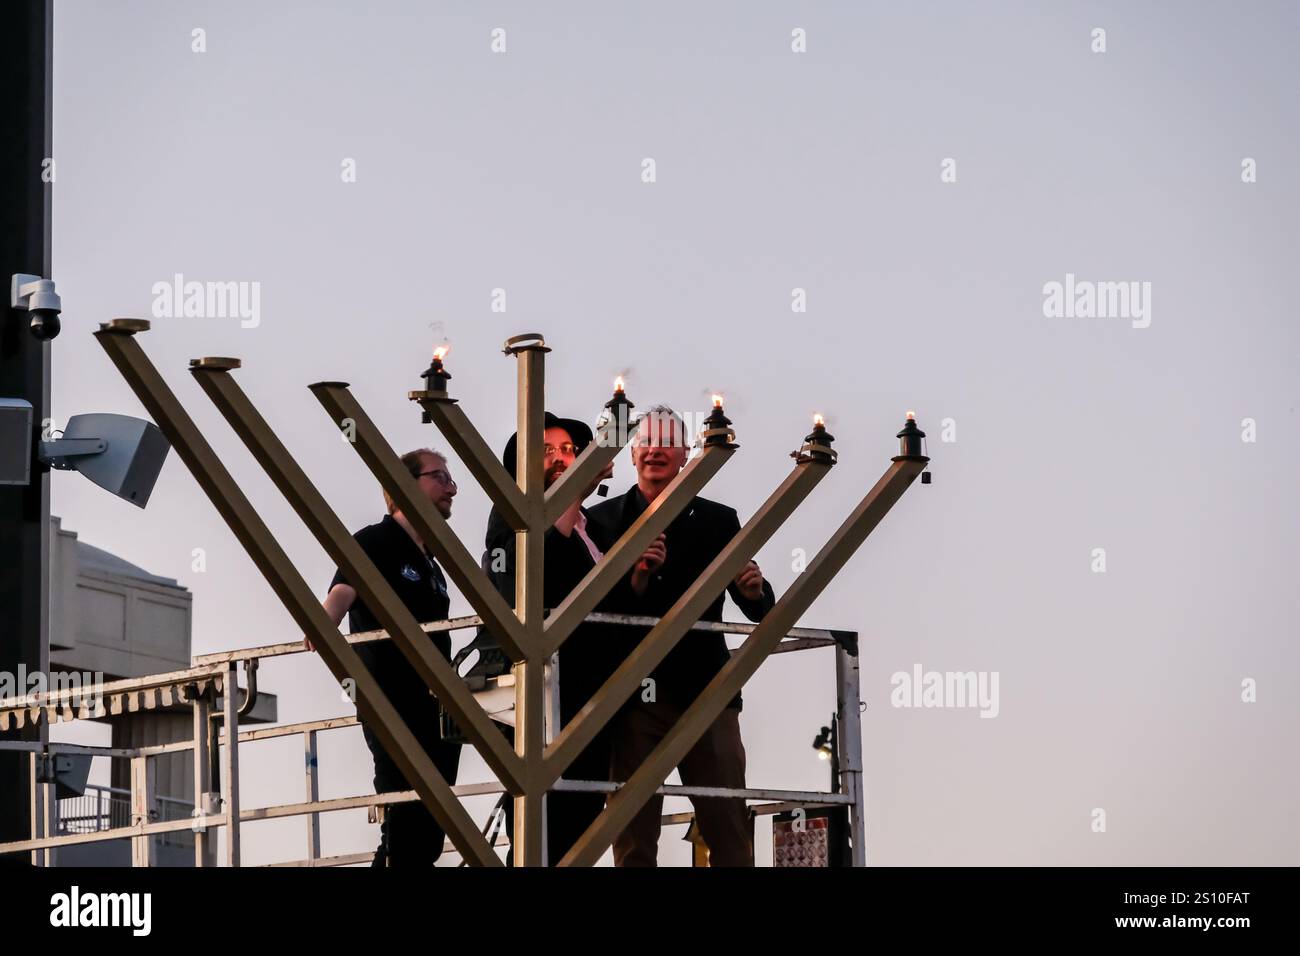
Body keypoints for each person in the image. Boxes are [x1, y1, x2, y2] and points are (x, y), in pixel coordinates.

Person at [587, 405, 774, 867]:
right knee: (632, 830)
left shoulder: (718, 520)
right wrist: (637, 578)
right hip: (632, 694)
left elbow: (755, 604)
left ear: (687, 453)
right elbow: (593, 611)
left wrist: (755, 591)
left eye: (668, 442)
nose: (655, 451)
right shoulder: (602, 520)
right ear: (632, 452)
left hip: (707, 691)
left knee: (727, 822)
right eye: (646, 441)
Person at [473, 411, 626, 864]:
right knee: (542, 816)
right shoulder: (511, 515)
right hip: (536, 687)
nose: (561, 458)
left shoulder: (593, 526)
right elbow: (535, 580)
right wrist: (573, 492)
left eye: (569, 450)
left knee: (582, 812)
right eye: (546, 451)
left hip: (592, 689)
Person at [310, 447, 461, 868]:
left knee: (431, 826)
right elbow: (343, 591)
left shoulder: (433, 561)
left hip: (437, 705)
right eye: (439, 477)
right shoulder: (375, 540)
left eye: (451, 480)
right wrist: (322, 623)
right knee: (404, 819)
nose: (451, 489)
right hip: (392, 700)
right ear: (403, 486)